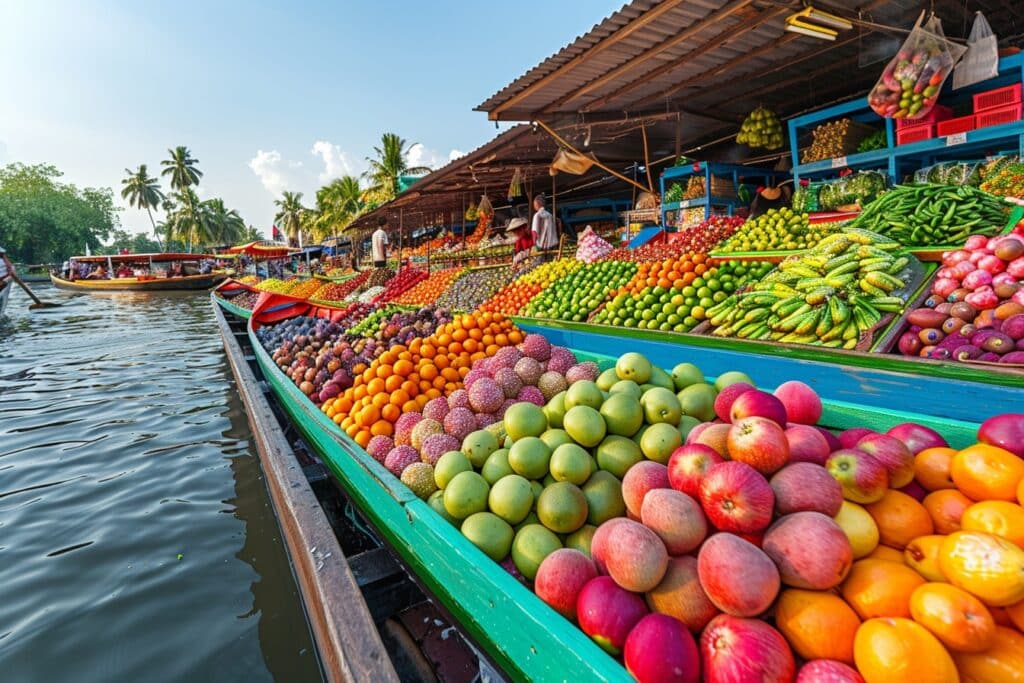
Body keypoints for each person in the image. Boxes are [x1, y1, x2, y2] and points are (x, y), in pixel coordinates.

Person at [531, 194, 558, 259]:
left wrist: (534, 244)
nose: (534, 206)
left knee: (541, 263)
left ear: (537, 204)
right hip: (551, 244)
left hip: (541, 246)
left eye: (534, 204)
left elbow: (534, 231)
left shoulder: (537, 216)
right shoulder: (549, 215)